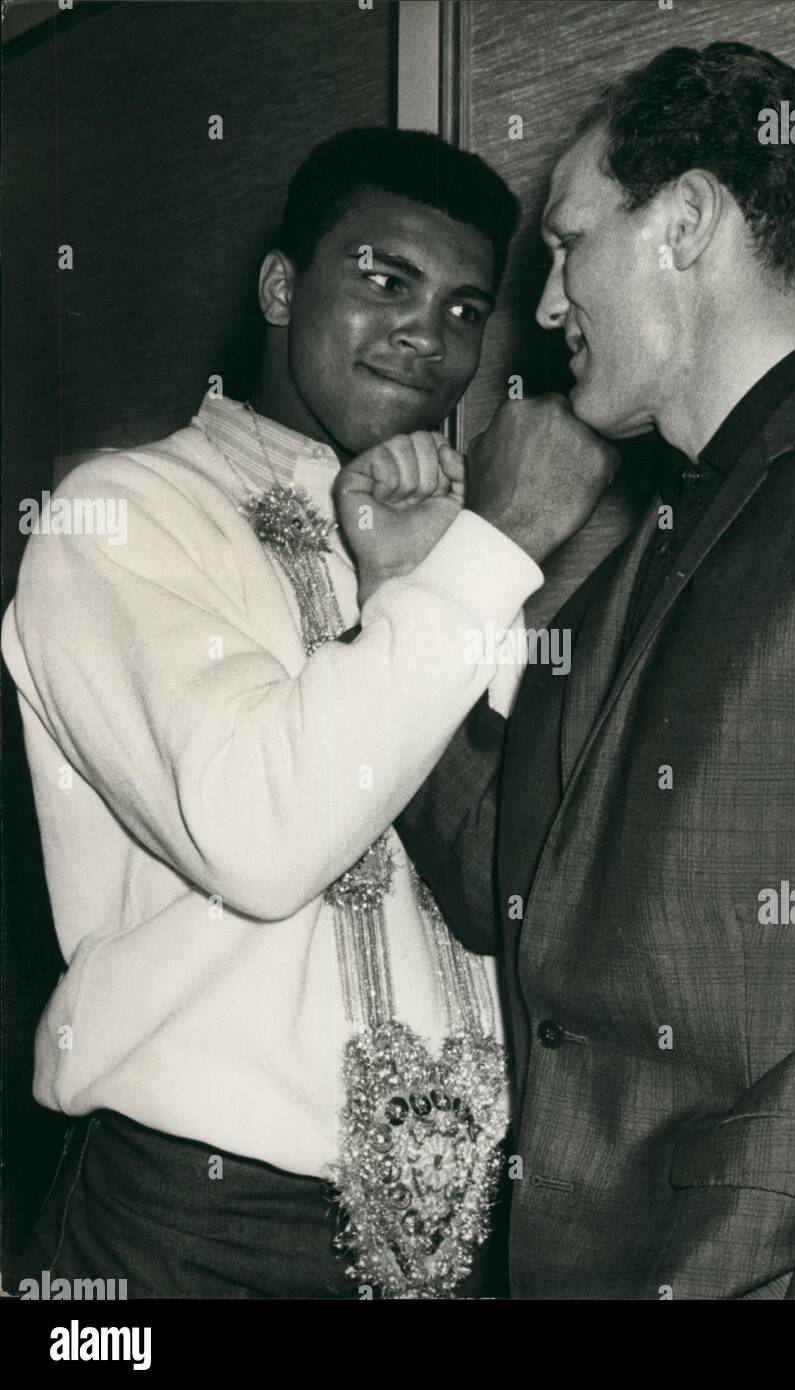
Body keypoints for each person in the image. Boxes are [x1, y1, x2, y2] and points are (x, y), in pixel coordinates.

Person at [398, 44, 795, 1298]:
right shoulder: (641, 551)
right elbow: (495, 882)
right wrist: (414, 582)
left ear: (683, 223)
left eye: (570, 240)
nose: (542, 306)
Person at [1, 126, 615, 1299]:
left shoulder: (444, 552)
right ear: (283, 286)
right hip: (193, 1233)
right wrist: (490, 550)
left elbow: (500, 881)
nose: (427, 335)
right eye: (385, 278)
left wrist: (434, 572)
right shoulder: (123, 515)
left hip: (460, 1248)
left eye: (464, 307)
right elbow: (262, 833)